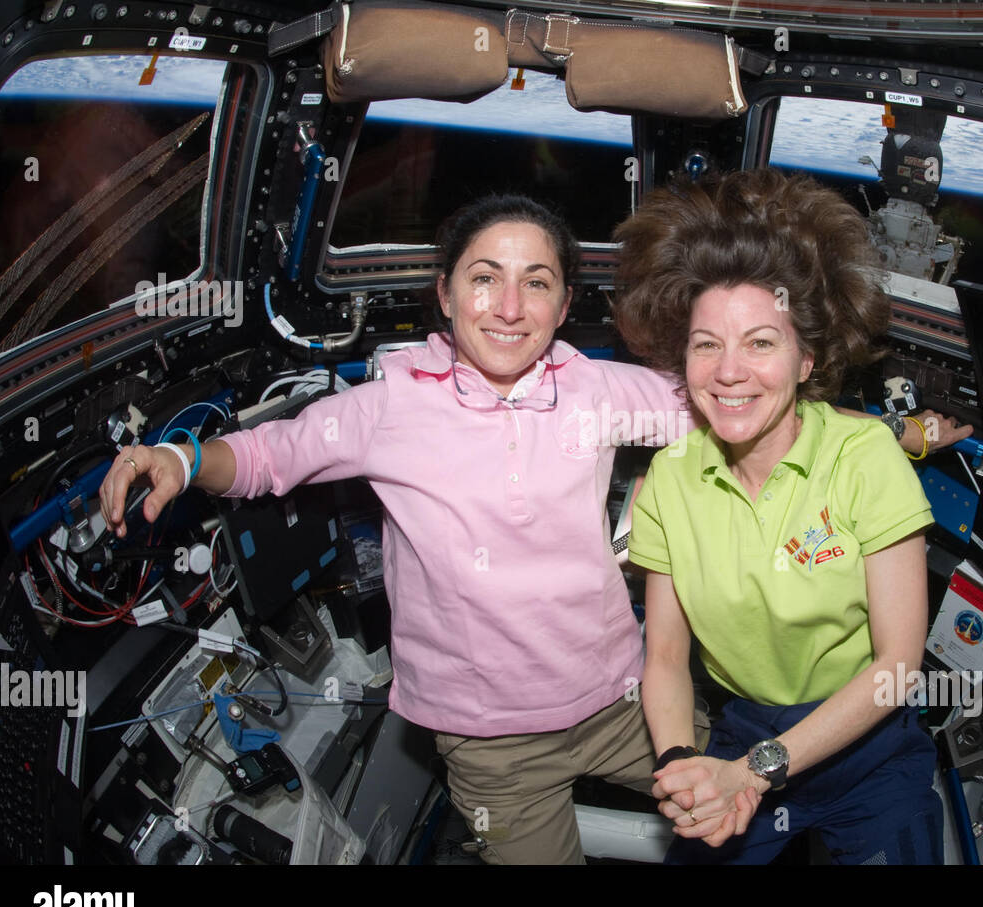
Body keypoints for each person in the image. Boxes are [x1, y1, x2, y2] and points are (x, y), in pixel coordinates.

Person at [99, 195, 704, 864]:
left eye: (536, 282)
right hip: (491, 744)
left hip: (624, 701)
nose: (509, 306)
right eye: (484, 278)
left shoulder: (595, 389)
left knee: (752, 804)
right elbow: (269, 455)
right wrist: (182, 460)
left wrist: (676, 477)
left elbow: (713, 403)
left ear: (562, 309)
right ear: (445, 294)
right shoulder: (392, 404)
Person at [615, 168, 946, 864]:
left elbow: (897, 667)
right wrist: (684, 768)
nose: (729, 371)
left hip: (869, 739)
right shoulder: (671, 483)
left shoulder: (864, 457)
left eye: (761, 342)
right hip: (746, 724)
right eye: (707, 344)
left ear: (806, 360)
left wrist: (757, 769)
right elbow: (668, 656)